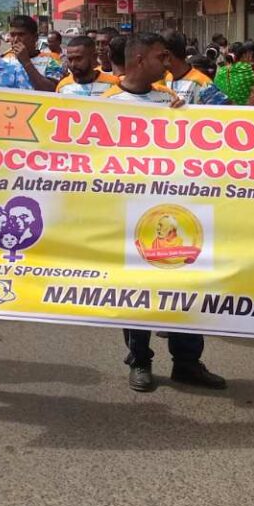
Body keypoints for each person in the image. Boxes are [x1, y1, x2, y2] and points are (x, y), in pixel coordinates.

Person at [103, 32, 224, 392]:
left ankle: (187, 361)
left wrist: (186, 121)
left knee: (185, 286)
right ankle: (139, 359)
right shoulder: (108, 103)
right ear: (140, 60)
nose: (167, 63)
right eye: (161, 57)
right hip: (130, 213)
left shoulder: (168, 98)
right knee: (137, 291)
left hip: (174, 209)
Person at [160, 30, 230, 105]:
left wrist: (188, 109)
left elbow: (227, 108)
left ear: (167, 55)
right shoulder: (163, 79)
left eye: (158, 56)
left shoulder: (202, 83)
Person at [54, 34, 119, 96]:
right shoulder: (62, 87)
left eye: (78, 59)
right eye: (70, 59)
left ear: (94, 57)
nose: (73, 64)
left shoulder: (113, 84)